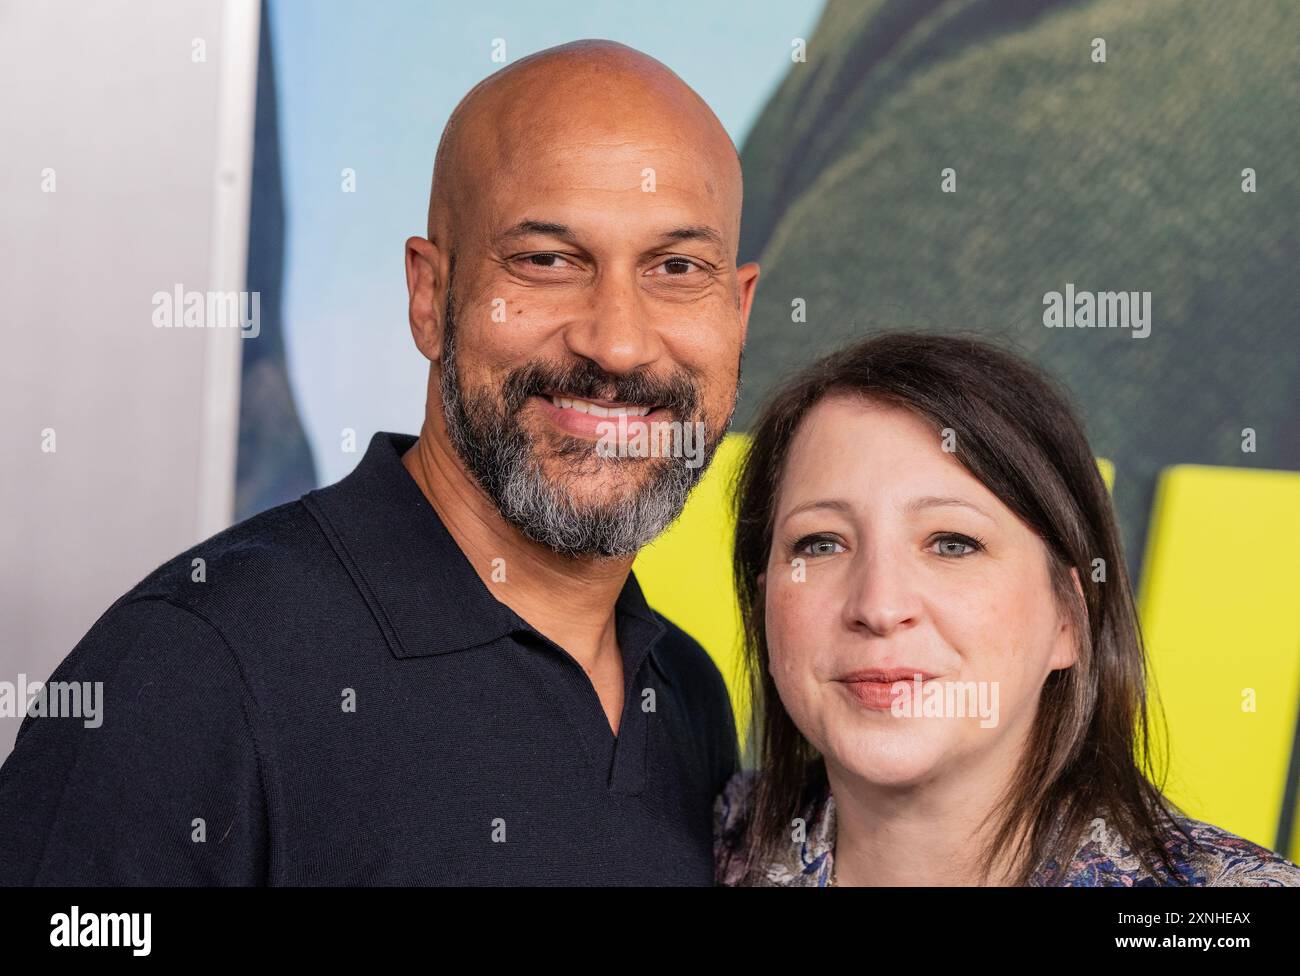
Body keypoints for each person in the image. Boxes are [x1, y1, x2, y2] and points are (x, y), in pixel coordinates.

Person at [0, 39, 760, 885]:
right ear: (430, 296)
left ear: (739, 310)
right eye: (547, 261)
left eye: (677, 268)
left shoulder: (686, 695)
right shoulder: (191, 671)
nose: (617, 343)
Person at [715, 331, 1300, 886]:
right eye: (821, 544)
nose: (879, 605)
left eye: (953, 543)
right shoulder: (675, 847)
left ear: (1070, 617)